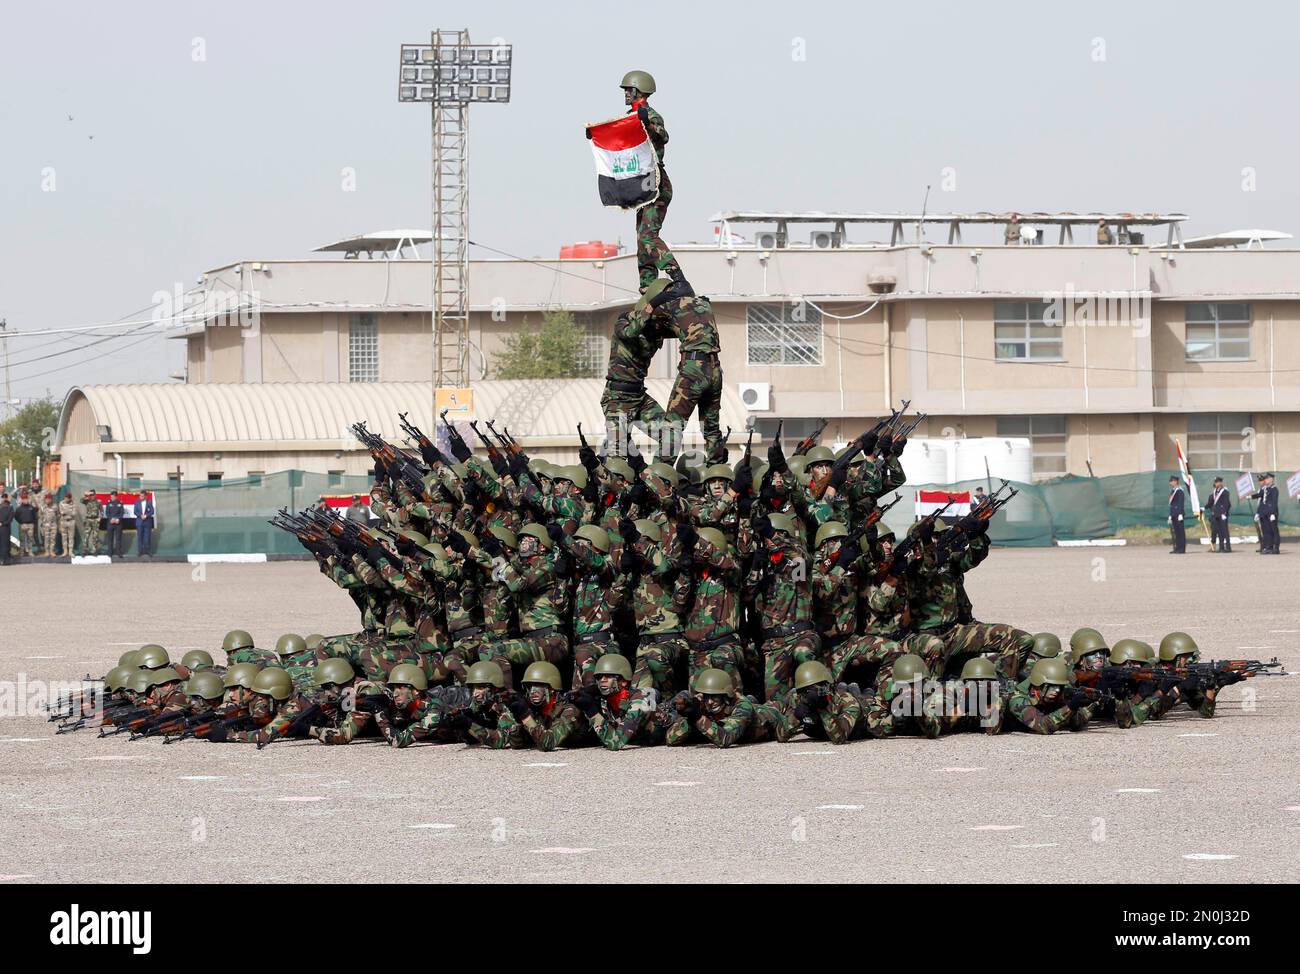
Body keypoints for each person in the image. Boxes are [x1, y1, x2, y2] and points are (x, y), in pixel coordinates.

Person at [619, 70, 683, 293]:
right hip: (641, 185)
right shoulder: (629, 117)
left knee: (648, 236)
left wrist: (648, 123)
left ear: (639, 90)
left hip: (656, 183)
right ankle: (647, 285)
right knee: (641, 239)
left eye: (629, 90)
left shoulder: (649, 114)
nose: (626, 94)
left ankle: (676, 274)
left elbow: (663, 136)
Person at [1251, 472, 1280, 554]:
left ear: (1271, 479)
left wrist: (1273, 513)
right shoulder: (1266, 489)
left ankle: (1276, 548)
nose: (1265, 480)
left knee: (1274, 531)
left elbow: (1274, 502)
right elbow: (1261, 500)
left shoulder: (1274, 489)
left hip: (1271, 513)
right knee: (1266, 531)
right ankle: (1268, 547)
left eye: (1267, 478)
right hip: (1265, 513)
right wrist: (1258, 513)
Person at [1205, 476, 1232, 552]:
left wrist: (1224, 513)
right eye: (1215, 482)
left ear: (1220, 483)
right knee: (1219, 532)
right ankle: (1221, 547)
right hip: (1216, 514)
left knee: (1224, 531)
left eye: (1217, 482)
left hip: (1222, 514)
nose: (1216, 483)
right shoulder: (1214, 492)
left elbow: (1226, 503)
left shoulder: (1225, 492)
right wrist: (1204, 507)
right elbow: (1211, 503)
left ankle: (1228, 547)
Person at [14, 491, 37, 558]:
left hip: (30, 525)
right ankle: (21, 553)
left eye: (26, 498)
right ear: (21, 500)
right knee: (22, 540)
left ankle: (30, 552)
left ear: (28, 499)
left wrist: (32, 522)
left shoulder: (31, 507)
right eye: (23, 499)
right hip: (22, 525)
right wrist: (20, 522)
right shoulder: (19, 508)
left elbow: (34, 516)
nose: (25, 500)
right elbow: (16, 516)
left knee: (30, 539)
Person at [1167, 475, 1186, 554]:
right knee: (1176, 532)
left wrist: (1180, 514)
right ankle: (1177, 548)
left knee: (1181, 532)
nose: (1170, 483)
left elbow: (1180, 503)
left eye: (1172, 481)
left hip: (1179, 515)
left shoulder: (1180, 491)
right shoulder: (1173, 491)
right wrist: (1171, 515)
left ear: (1175, 481)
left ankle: (1182, 549)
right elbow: (1173, 504)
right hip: (1174, 514)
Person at [104, 490, 126, 557]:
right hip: (110, 523)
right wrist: (111, 519)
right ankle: (110, 552)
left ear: (116, 496)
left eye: (113, 496)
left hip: (118, 523)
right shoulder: (108, 503)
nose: (112, 498)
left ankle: (118, 552)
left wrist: (118, 519)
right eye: (111, 496)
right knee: (110, 538)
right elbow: (107, 513)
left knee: (118, 539)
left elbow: (122, 513)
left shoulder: (120, 503)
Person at [133, 493, 156, 557]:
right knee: (140, 537)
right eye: (140, 496)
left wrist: (146, 515)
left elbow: (152, 511)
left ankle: (148, 551)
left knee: (147, 537)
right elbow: (135, 512)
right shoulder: (137, 503)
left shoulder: (149, 502)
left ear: (145, 496)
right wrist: (140, 515)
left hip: (147, 522)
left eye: (142, 496)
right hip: (139, 522)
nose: (141, 497)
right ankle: (140, 551)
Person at [81, 490, 102, 555]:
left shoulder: (98, 502)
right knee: (86, 536)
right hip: (88, 520)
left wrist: (100, 518)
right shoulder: (87, 501)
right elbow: (81, 500)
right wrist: (86, 494)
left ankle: (94, 550)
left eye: (92, 495)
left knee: (95, 536)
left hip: (95, 520)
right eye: (90, 495)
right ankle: (85, 550)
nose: (91, 496)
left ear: (95, 495)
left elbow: (101, 511)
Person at [58, 492, 77, 558]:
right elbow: (62, 512)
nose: (66, 499)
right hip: (63, 521)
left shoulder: (73, 503)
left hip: (71, 522)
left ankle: (70, 551)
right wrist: (69, 512)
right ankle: (65, 551)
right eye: (66, 497)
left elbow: (74, 513)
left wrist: (66, 512)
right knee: (64, 537)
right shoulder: (61, 503)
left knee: (71, 537)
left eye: (68, 498)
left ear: (70, 498)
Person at [0, 493, 12, 566]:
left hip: (6, 528)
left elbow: (10, 518)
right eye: (3, 497)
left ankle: (6, 560)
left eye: (5, 497)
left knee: (5, 544)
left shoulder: (10, 507)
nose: (4, 499)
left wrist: (3, 523)